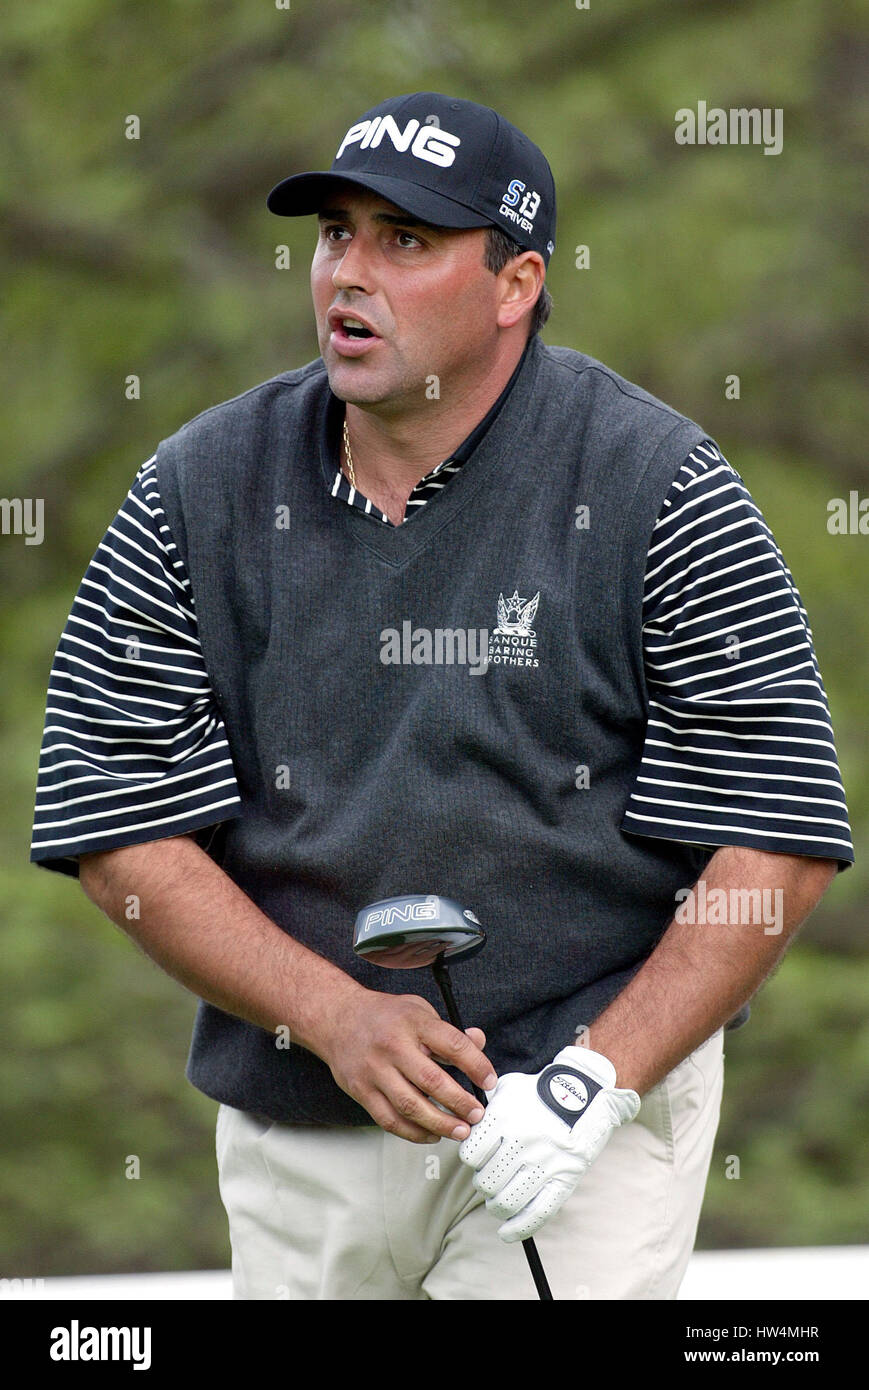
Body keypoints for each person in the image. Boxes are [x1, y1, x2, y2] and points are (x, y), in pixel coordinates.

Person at [30, 92, 854, 1301]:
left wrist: (591, 1084)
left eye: (404, 241)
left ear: (515, 283)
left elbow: (773, 836)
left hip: (580, 1121)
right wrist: (330, 1013)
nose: (347, 275)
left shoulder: (658, 484)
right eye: (335, 236)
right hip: (298, 1114)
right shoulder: (193, 488)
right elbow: (114, 820)